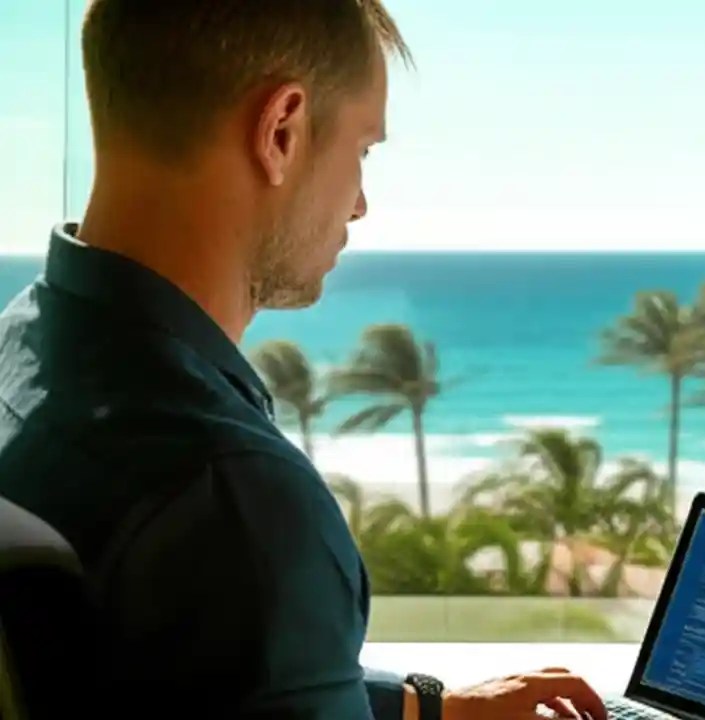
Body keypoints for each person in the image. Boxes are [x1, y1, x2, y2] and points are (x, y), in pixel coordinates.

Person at [0, 2, 608, 719]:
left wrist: (430, 709)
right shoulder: (235, 500)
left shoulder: (22, 347)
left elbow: (191, 675)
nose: (359, 203)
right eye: (362, 150)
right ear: (281, 131)